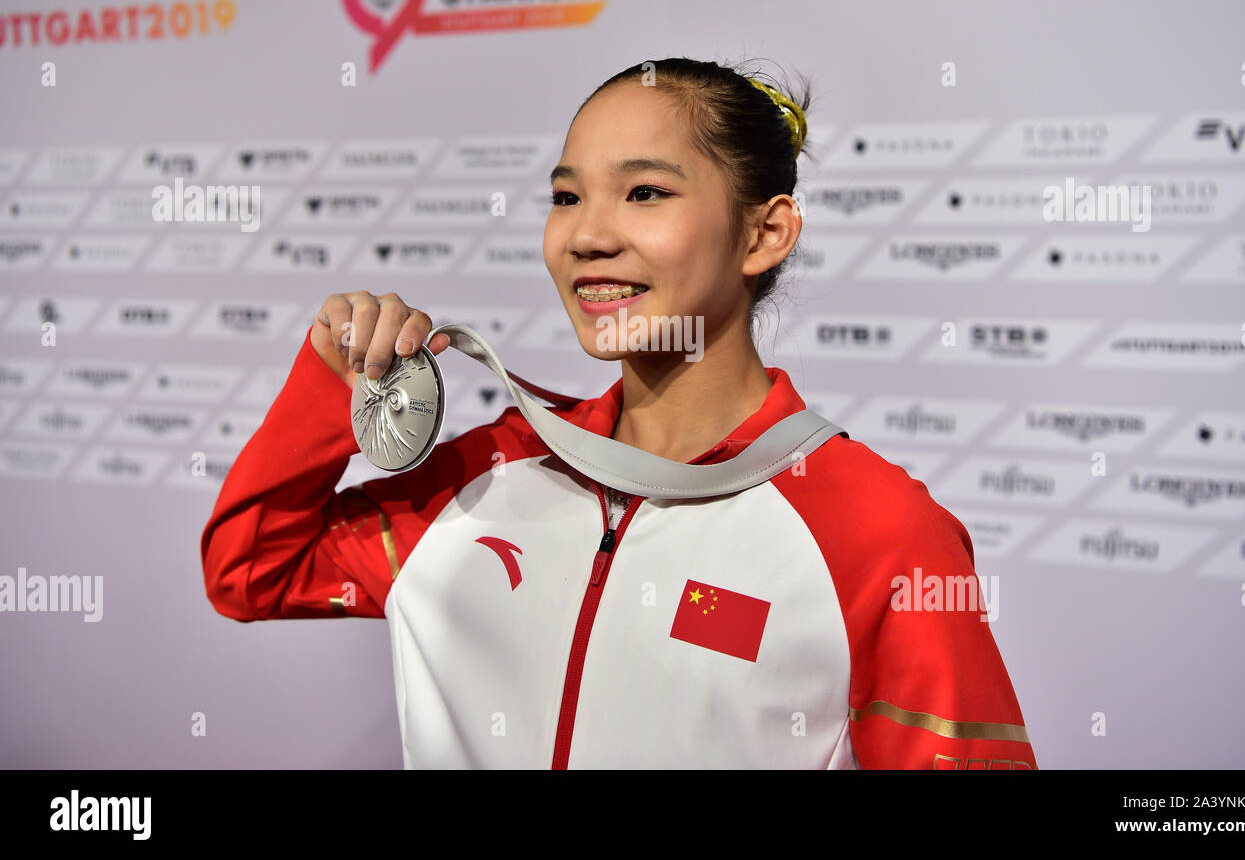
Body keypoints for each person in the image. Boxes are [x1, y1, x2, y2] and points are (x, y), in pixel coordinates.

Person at [201, 56, 1038, 769]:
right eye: (566, 197)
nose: (587, 235)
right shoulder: (498, 469)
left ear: (766, 233)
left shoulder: (877, 528)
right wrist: (330, 374)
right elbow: (250, 570)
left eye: (644, 193)